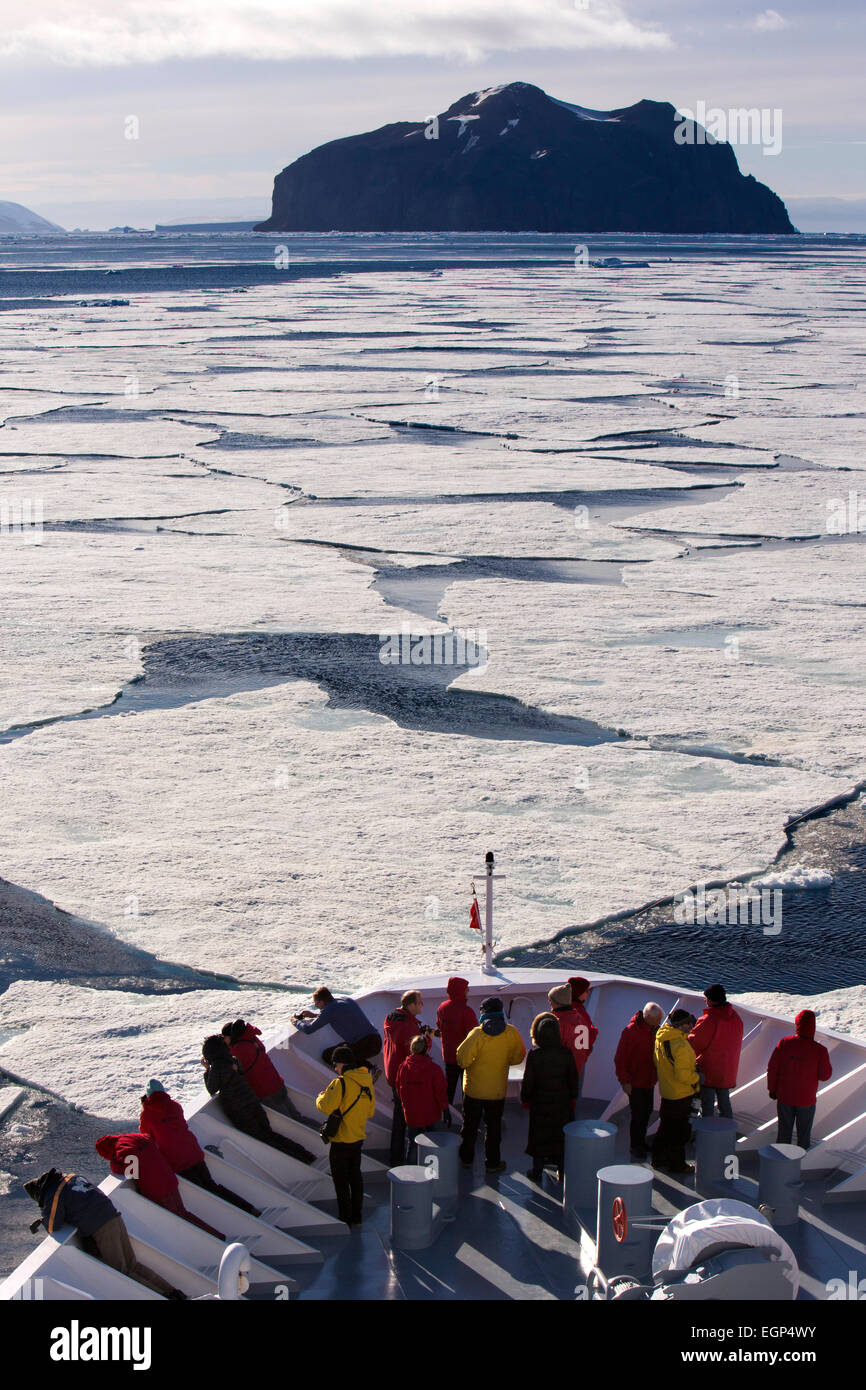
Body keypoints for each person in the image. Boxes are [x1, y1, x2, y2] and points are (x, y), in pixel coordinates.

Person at [24, 1168, 186, 1299]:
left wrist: (43, 1217)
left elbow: (53, 1225)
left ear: (40, 1193)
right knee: (132, 1265)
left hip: (101, 1228)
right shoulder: (71, 1177)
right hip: (114, 1218)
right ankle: (174, 1292)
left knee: (123, 1272)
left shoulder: (54, 1193)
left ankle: (165, 1297)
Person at [139, 1079, 260, 1215]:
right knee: (212, 1186)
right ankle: (248, 1208)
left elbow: (146, 1137)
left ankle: (240, 1213)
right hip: (193, 1152)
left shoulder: (147, 1115)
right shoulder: (174, 1105)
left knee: (205, 1193)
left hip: (177, 1161)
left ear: (148, 1096)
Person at [201, 1035, 316, 1164]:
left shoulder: (217, 1067)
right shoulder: (233, 1060)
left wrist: (207, 1070)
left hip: (239, 1109)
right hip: (252, 1101)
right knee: (270, 1134)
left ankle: (300, 1159)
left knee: (264, 1139)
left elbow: (212, 1088)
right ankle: (305, 1154)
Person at [94, 1132, 224, 1239]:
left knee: (182, 1218)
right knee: (183, 1214)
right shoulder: (133, 1137)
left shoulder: (122, 1150)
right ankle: (215, 1236)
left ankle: (216, 1238)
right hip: (169, 1179)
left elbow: (129, 1169)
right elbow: (148, 1139)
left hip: (159, 1190)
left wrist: (114, 1163)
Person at [456, 996, 526, 1173]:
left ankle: (466, 1159)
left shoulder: (477, 1034)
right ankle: (493, 1163)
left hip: (473, 1090)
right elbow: (518, 1056)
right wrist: (504, 1060)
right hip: (496, 1091)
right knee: (493, 1128)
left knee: (470, 1126)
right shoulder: (511, 1032)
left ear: (483, 1013)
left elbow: (462, 1059)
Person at [316, 1044, 375, 1227]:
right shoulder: (367, 1081)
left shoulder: (340, 1083)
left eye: (336, 1065)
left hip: (341, 1141)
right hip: (358, 1138)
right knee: (355, 1178)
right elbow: (370, 1111)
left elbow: (325, 1106)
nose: (335, 1069)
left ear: (342, 1064)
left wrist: (320, 1096)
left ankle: (345, 1217)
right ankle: (356, 1215)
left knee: (341, 1182)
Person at [521, 1012, 579, 1183]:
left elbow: (528, 1081)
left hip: (540, 1105)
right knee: (561, 1140)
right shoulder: (566, 1053)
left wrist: (525, 1098)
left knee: (539, 1138)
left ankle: (537, 1171)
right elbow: (573, 1078)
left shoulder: (535, 1055)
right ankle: (562, 1171)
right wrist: (572, 1096)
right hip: (562, 1104)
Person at [767, 1009, 832, 1149]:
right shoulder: (820, 1050)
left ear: (797, 1024)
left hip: (784, 1097)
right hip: (806, 1100)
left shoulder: (785, 1043)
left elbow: (772, 1068)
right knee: (803, 1136)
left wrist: (772, 1089)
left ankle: (781, 1164)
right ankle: (798, 1165)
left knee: (784, 1133)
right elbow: (825, 1076)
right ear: (813, 1027)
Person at [221, 1019, 308, 1123]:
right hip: (277, 1083)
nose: (223, 1040)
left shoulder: (238, 1049)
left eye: (224, 1037)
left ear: (232, 1036)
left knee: (293, 1123)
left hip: (267, 1092)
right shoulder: (252, 1039)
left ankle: (324, 1135)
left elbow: (225, 1064)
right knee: (298, 1118)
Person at [384, 990, 431, 1166]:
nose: (422, 1005)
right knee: (410, 1120)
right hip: (406, 1078)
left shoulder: (391, 1018)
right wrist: (427, 1039)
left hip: (393, 1073)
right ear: (411, 1005)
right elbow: (419, 1051)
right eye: (420, 1002)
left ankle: (395, 1159)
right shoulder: (409, 1027)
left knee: (399, 1119)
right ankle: (408, 1162)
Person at [652, 1009, 699, 1175]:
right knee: (680, 1133)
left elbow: (656, 1061)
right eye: (689, 1023)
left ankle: (658, 1159)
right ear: (682, 1026)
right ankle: (677, 1165)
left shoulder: (661, 1037)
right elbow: (683, 1075)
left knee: (665, 1128)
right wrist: (697, 1077)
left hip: (667, 1091)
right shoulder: (681, 1046)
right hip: (681, 1095)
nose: (692, 1026)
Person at [291, 987, 382, 1073]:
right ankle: (370, 1069)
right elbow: (336, 1014)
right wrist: (315, 1016)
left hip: (365, 1045)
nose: (315, 1005)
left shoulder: (329, 1010)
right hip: (376, 1041)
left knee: (330, 1055)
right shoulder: (346, 999)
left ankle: (367, 1071)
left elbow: (308, 1029)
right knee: (343, 1048)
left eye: (316, 1003)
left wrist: (295, 1021)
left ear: (322, 1001)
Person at [614, 1002, 663, 1160]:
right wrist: (625, 1081)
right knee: (638, 1115)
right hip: (635, 1082)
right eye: (657, 1020)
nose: (660, 1023)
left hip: (648, 1080)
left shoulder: (654, 1030)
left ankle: (640, 1143)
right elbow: (620, 1059)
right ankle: (635, 1146)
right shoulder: (630, 1033)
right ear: (648, 1018)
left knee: (646, 1112)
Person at [688, 985, 744, 1118]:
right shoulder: (735, 1017)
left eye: (706, 998)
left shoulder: (709, 1020)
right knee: (724, 1102)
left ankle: (705, 1134)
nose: (705, 1001)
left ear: (712, 1000)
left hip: (710, 1070)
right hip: (727, 1070)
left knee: (707, 1103)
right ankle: (726, 1131)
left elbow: (695, 1043)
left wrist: (690, 1030)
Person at [396, 1034, 450, 1161]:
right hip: (431, 1114)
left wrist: (406, 1105)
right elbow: (440, 1092)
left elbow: (399, 1089)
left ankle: (411, 1174)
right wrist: (445, 1109)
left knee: (413, 1144)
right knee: (434, 1144)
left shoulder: (403, 1067)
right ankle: (433, 1172)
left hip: (412, 1115)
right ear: (427, 1049)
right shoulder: (434, 1069)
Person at [435, 977, 478, 1105]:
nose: (468, 990)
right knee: (468, 1089)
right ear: (460, 991)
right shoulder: (467, 1012)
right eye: (466, 989)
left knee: (449, 1088)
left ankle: (447, 1114)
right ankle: (467, 1116)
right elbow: (474, 1035)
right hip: (466, 1058)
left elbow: (439, 1026)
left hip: (449, 1056)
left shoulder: (442, 1008)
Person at [568, 976, 599, 1084]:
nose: (588, 993)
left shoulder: (562, 1008)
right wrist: (594, 1031)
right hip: (576, 1062)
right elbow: (582, 1043)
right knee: (575, 1093)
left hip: (563, 1061)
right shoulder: (579, 1013)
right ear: (578, 992)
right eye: (586, 990)